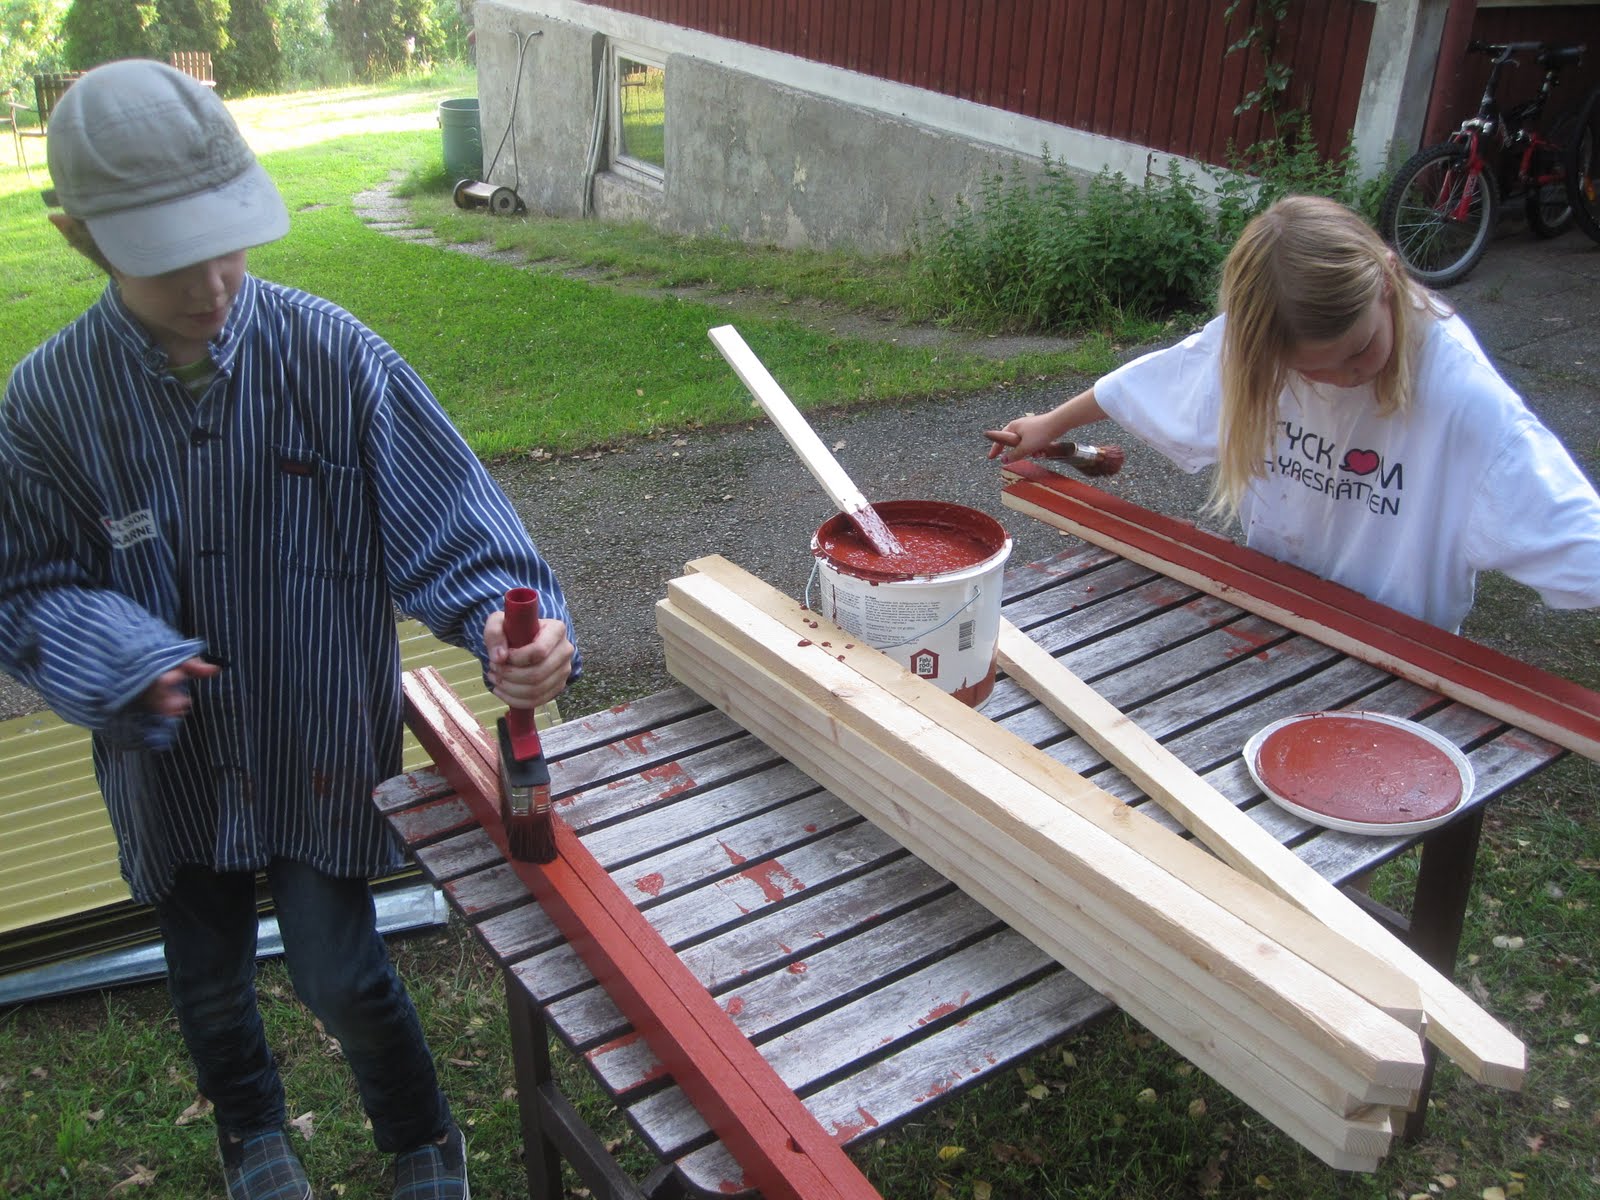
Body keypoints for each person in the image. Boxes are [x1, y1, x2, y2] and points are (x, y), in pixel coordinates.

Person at [0, 60, 579, 1200]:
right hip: (165, 771)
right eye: (170, 260)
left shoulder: (334, 356)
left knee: (342, 973)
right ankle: (252, 1139)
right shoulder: (45, 406)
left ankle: (422, 1138)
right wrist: (117, 657)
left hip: (314, 744)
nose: (214, 282)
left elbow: (455, 528)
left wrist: (516, 623)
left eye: (230, 241)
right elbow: (23, 588)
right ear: (80, 238)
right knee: (207, 982)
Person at [986, 194, 1600, 633]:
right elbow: (1153, 381)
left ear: (1388, 280)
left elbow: (1575, 539)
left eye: (1359, 352)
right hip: (1273, 610)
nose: (1342, 378)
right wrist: (1052, 425)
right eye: (1310, 371)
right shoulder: (1259, 345)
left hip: (1405, 658)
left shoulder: (1465, 402)